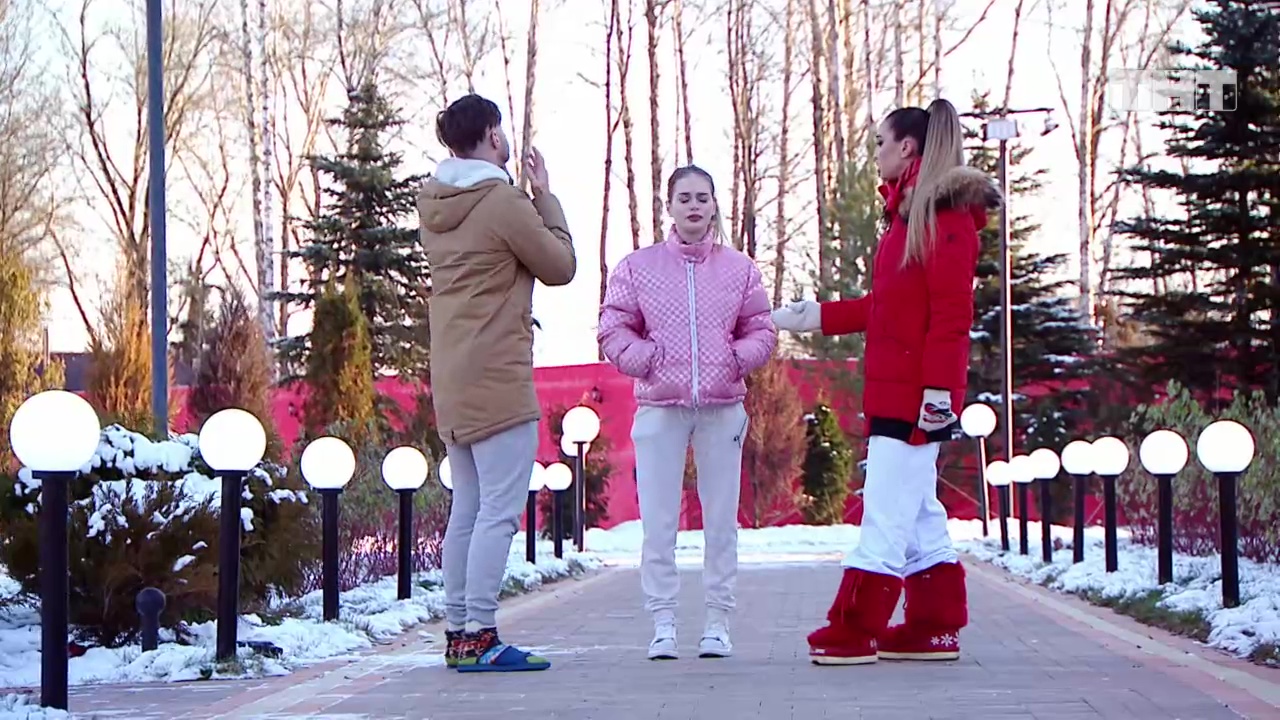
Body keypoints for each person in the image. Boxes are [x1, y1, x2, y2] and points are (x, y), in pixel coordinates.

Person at [771, 98, 1000, 665]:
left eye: (880, 142)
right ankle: (935, 626)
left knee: (886, 511)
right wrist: (815, 316)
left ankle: (854, 629)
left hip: (917, 397)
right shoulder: (907, 218)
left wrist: (938, 397)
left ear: (907, 147)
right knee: (918, 513)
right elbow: (888, 308)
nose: (875, 154)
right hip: (899, 389)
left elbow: (951, 315)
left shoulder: (944, 221)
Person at [418, 94, 576, 672]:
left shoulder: (434, 203)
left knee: (468, 509)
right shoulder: (502, 201)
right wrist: (544, 196)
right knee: (499, 512)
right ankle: (481, 636)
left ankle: (459, 634)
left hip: (453, 375)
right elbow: (560, 266)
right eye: (501, 130)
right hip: (498, 375)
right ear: (491, 136)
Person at [598, 165, 777, 661]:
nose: (694, 206)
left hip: (723, 407)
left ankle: (718, 622)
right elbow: (613, 326)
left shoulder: (740, 269)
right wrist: (648, 360)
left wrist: (735, 360)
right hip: (660, 407)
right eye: (685, 198)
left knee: (721, 521)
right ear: (670, 207)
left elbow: (761, 328)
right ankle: (663, 623)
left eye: (702, 197)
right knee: (658, 523)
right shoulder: (637, 267)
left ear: (715, 205)